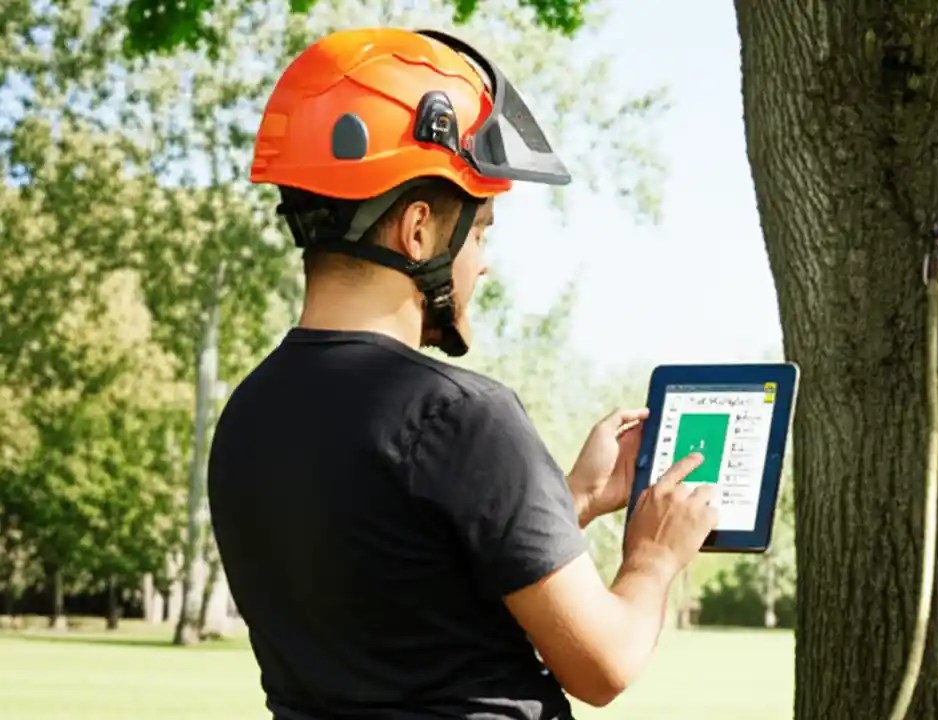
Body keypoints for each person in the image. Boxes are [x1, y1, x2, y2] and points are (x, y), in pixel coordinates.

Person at [207, 26, 719, 720]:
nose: (484, 262)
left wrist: (572, 501)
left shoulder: (249, 415)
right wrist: (655, 555)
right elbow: (604, 664)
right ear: (417, 230)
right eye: (480, 232)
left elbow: (409, 580)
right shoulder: (459, 415)